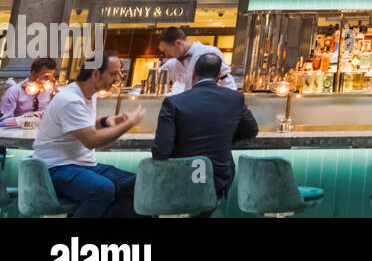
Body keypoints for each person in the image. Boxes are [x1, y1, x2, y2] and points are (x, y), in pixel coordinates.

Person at [33, 52, 145, 217]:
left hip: (83, 165)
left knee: (139, 184)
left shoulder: (86, 95)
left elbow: (81, 126)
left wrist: (105, 121)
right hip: (55, 169)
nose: (116, 79)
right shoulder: (70, 99)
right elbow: (92, 140)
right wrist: (130, 123)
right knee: (103, 189)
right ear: (95, 73)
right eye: (113, 74)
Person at [152, 53, 259, 199]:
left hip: (178, 180)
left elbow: (162, 151)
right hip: (217, 181)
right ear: (220, 74)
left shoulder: (173, 102)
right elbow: (251, 130)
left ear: (194, 71)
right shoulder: (235, 98)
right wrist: (223, 139)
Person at [157, 26, 237, 92]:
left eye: (166, 51)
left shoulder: (209, 52)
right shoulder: (172, 64)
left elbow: (227, 82)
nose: (166, 55)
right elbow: (155, 78)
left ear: (178, 43)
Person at [0, 57, 57, 121]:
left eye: (51, 77)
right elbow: (4, 122)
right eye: (46, 77)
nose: (49, 81)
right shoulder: (14, 92)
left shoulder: (50, 91)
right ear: (33, 74)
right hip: (18, 129)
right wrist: (23, 119)